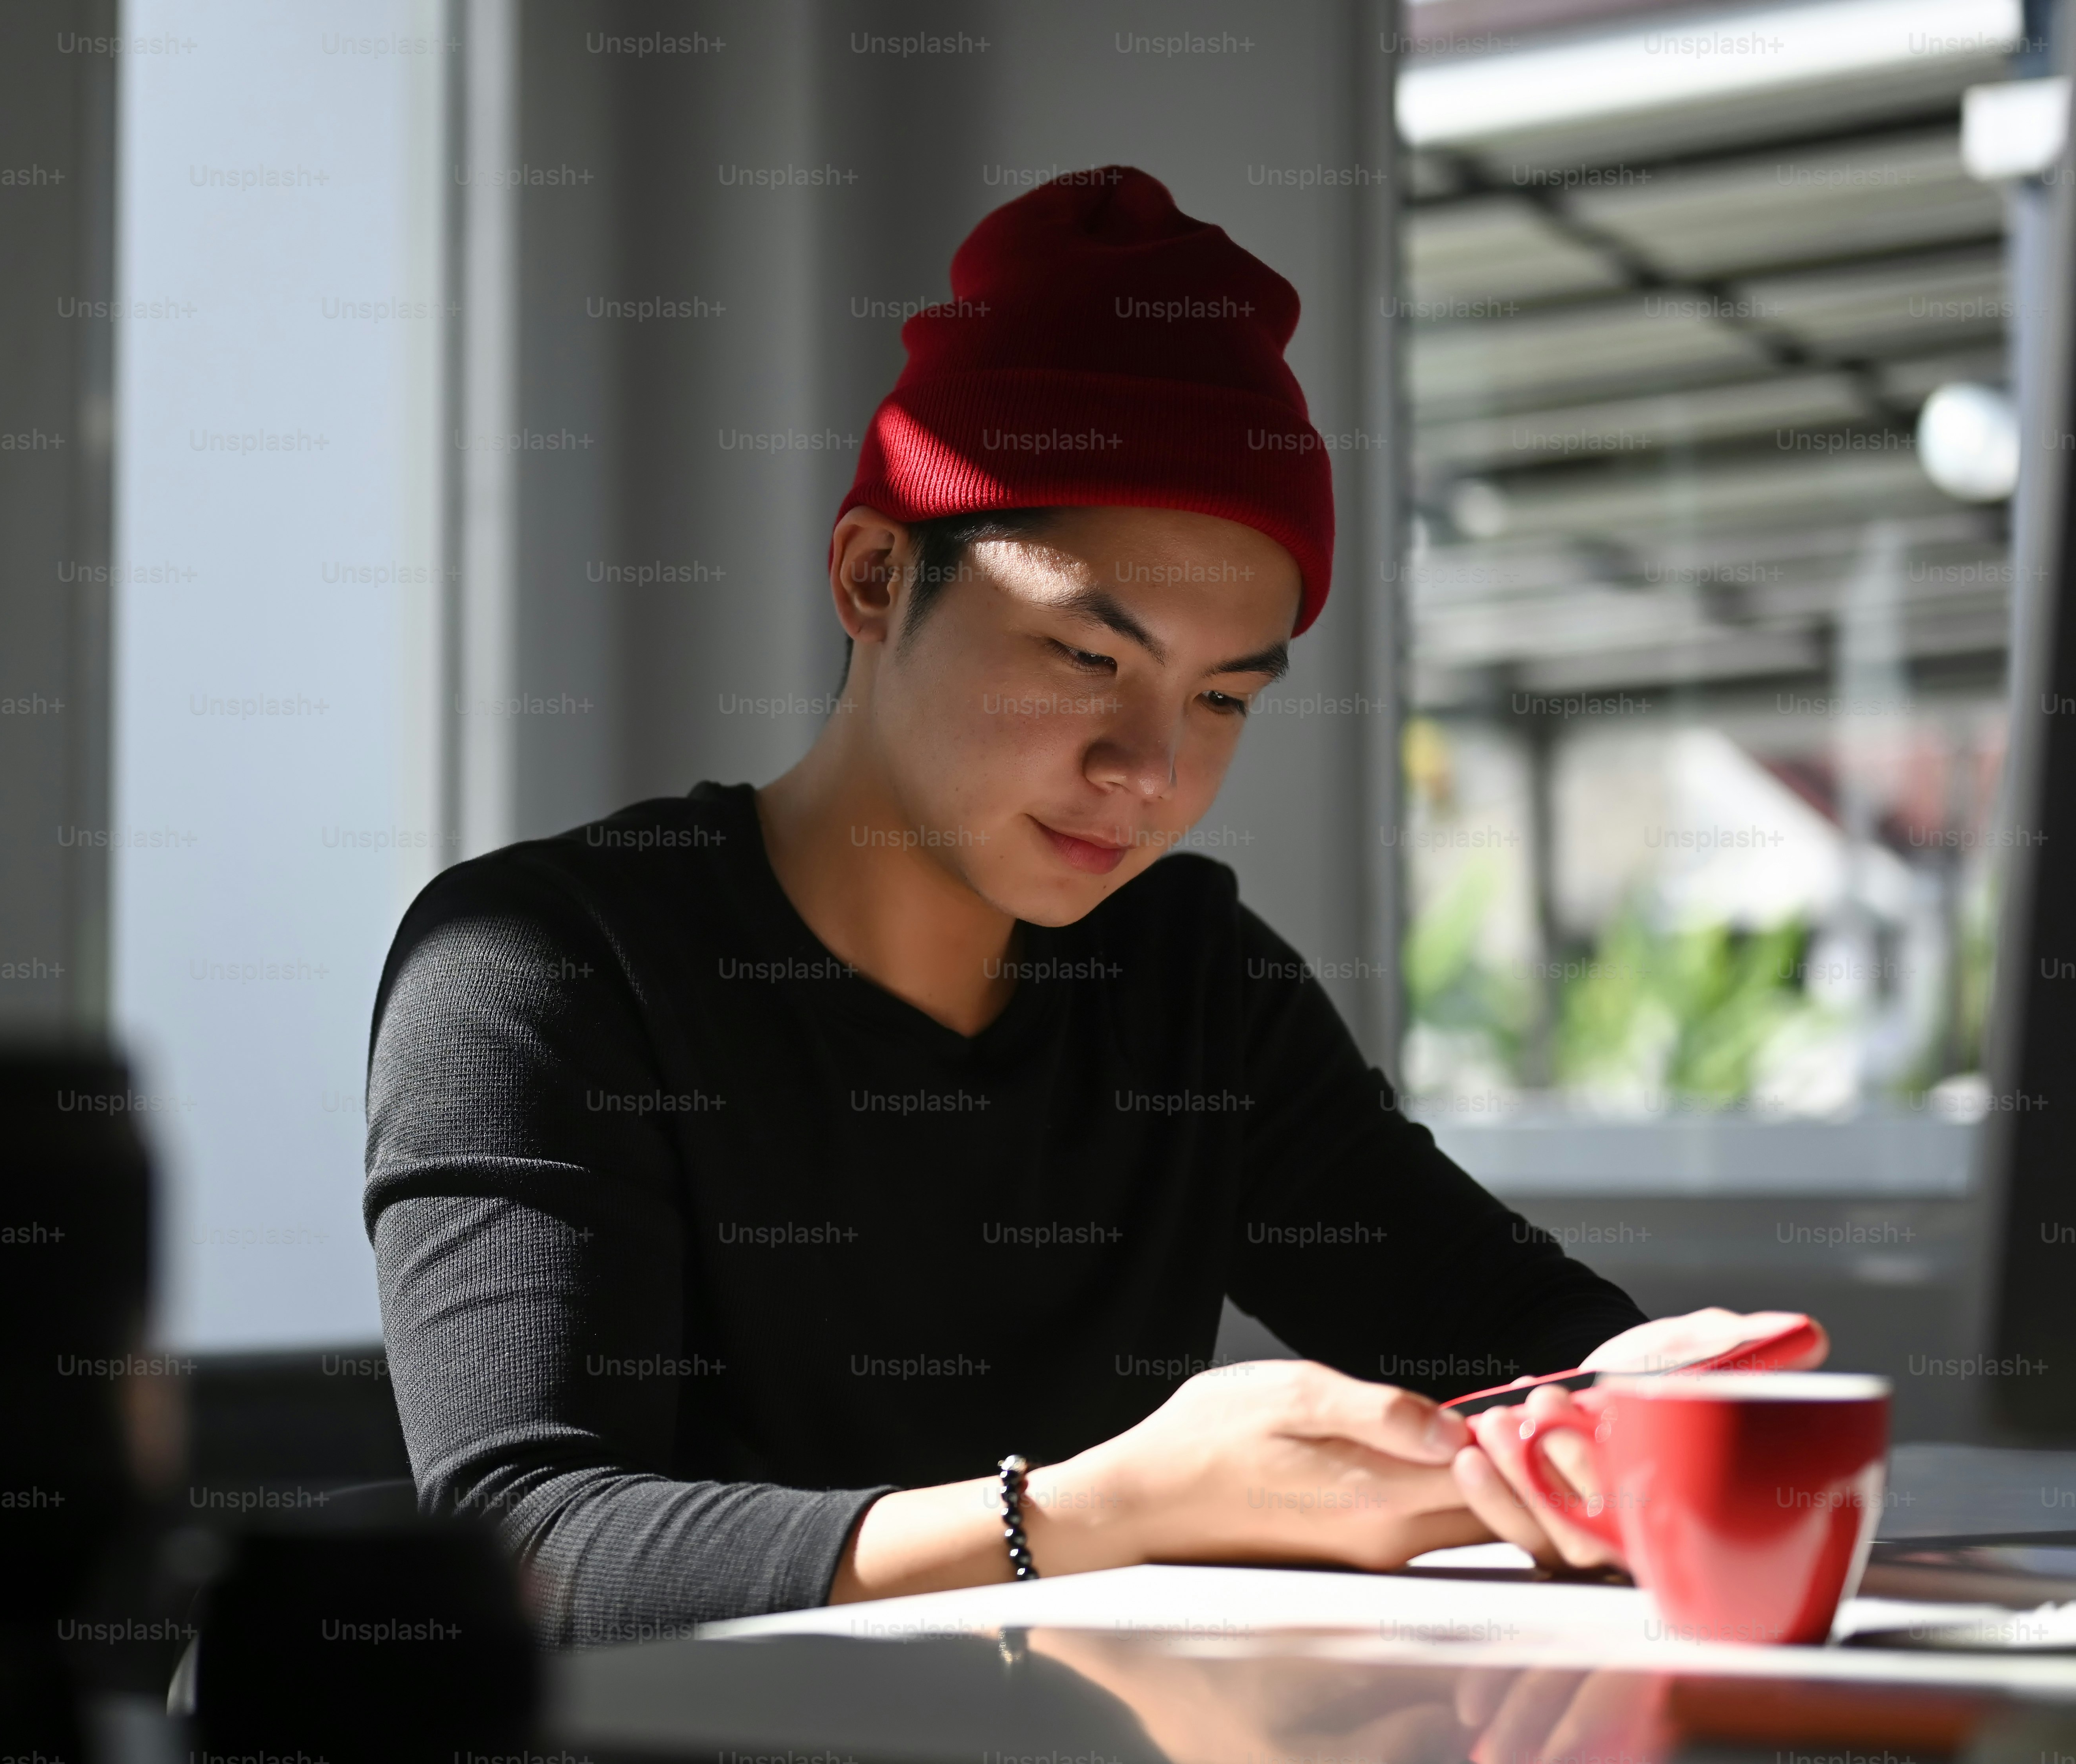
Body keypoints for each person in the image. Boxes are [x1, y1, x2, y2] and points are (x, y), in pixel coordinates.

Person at [359, 165, 1815, 1646]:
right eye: (1088, 658)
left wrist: (1639, 1386)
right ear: (876, 576)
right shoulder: (542, 967)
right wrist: (1094, 1512)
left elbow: (1503, 1337)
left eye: (1224, 697)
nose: (1150, 772)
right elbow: (529, 1546)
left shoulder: (1188, 988)